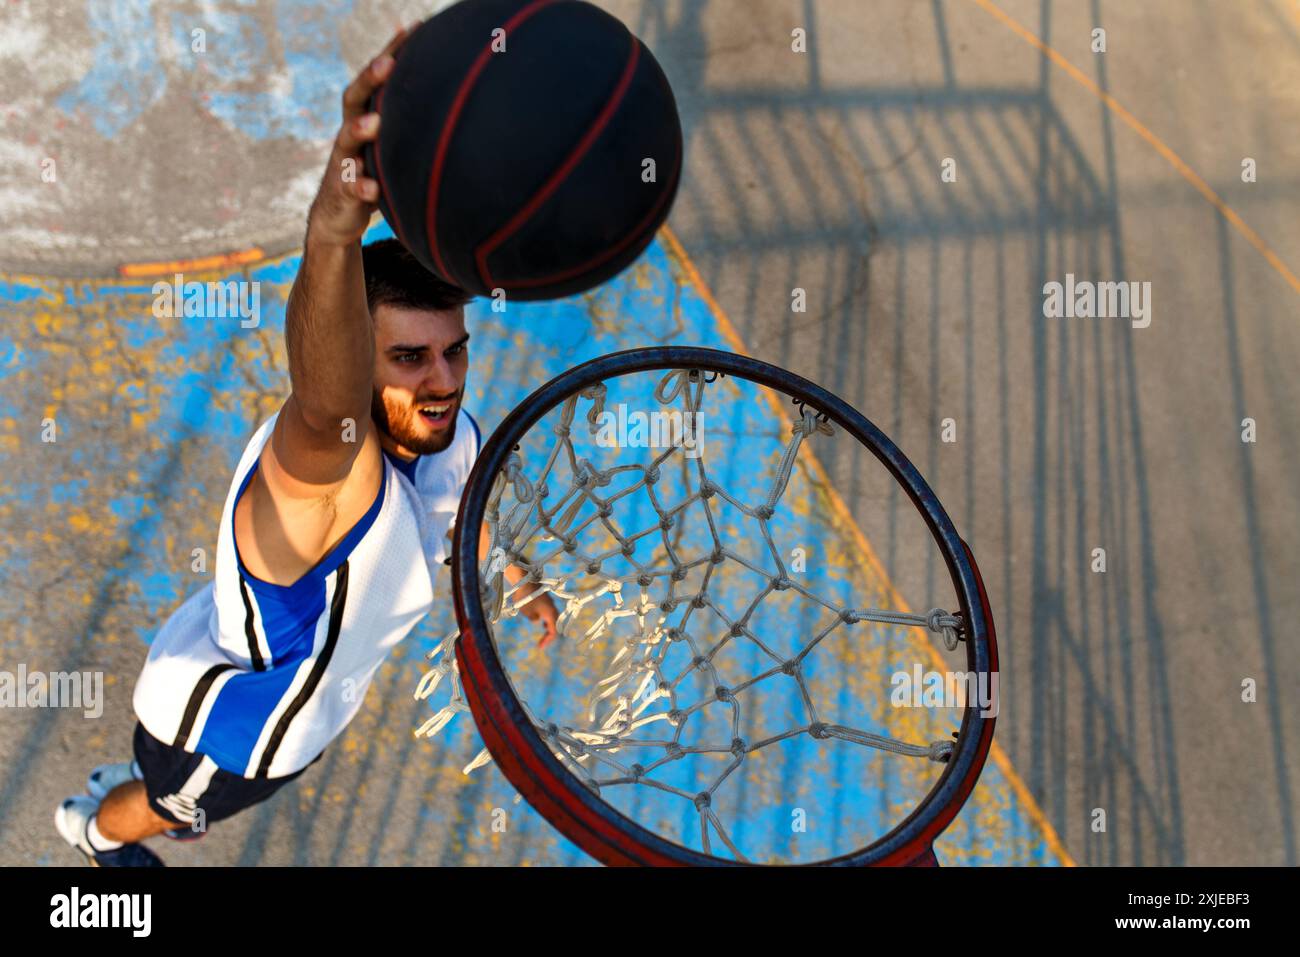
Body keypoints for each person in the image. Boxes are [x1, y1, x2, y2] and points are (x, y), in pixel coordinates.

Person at [55, 25, 557, 866]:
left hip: (312, 706)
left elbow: (460, 509)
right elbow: (324, 413)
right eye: (408, 358)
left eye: (454, 351)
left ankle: (131, 796)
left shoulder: (449, 435)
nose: (442, 380)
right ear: (360, 362)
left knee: (178, 791)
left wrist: (518, 575)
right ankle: (98, 833)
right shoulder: (329, 477)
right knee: (168, 809)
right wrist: (331, 235)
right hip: (227, 731)